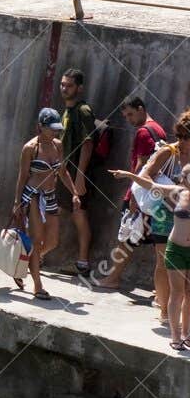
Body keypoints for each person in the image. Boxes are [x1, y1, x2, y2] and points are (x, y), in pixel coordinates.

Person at [110, 163, 190, 350]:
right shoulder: (177, 192)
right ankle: (176, 336)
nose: (185, 177)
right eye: (185, 175)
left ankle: (187, 334)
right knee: (177, 293)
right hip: (176, 249)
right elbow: (150, 186)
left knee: (189, 293)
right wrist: (129, 174)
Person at [97, 95, 169, 294]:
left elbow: (142, 165)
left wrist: (134, 197)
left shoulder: (144, 132)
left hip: (141, 194)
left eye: (130, 114)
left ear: (140, 109)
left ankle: (113, 278)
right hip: (154, 195)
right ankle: (161, 287)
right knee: (157, 242)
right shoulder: (159, 130)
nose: (128, 120)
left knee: (126, 238)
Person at [10, 108, 82, 300]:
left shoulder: (58, 145)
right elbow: (22, 176)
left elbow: (63, 172)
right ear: (40, 127)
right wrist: (17, 202)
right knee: (37, 240)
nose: (55, 133)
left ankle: (25, 263)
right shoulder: (30, 148)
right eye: (51, 129)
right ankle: (37, 285)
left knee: (52, 241)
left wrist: (74, 192)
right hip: (33, 196)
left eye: (57, 129)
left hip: (50, 196)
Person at [133, 110, 190, 329]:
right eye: (181, 136)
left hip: (186, 219)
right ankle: (164, 310)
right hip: (164, 214)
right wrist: (165, 190)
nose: (182, 141)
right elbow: (144, 175)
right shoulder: (169, 152)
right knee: (164, 263)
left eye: (187, 137)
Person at [58, 67, 99, 276]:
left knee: (79, 214)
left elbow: (87, 143)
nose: (64, 88)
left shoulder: (82, 111)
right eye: (63, 84)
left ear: (79, 88)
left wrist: (80, 175)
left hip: (77, 174)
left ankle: (83, 262)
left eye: (69, 85)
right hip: (65, 173)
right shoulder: (67, 110)